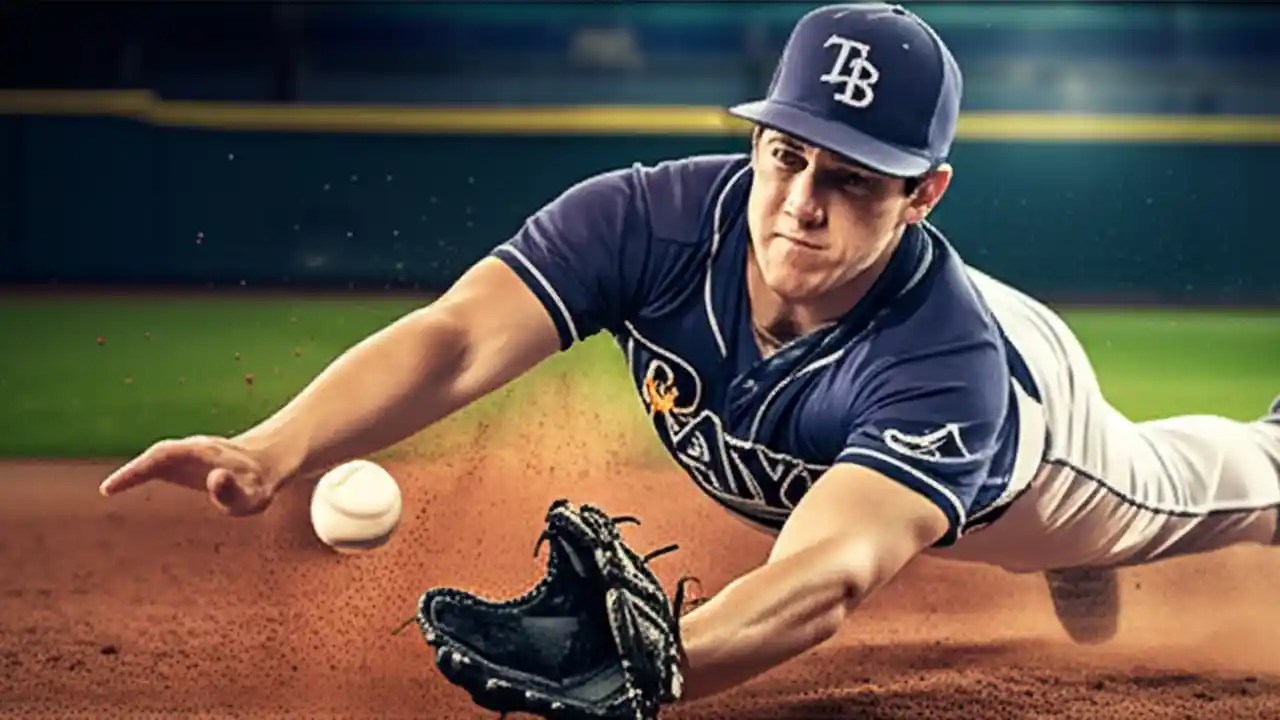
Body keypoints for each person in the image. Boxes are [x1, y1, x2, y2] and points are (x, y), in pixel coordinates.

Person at [100, 2, 1280, 706]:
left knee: (1181, 488)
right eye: (786, 155)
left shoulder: (947, 373)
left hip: (1032, 442)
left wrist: (658, 668)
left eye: (851, 178)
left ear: (923, 192)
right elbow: (457, 339)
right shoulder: (649, 220)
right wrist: (274, 445)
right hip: (915, 325)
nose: (801, 202)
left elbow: (828, 575)